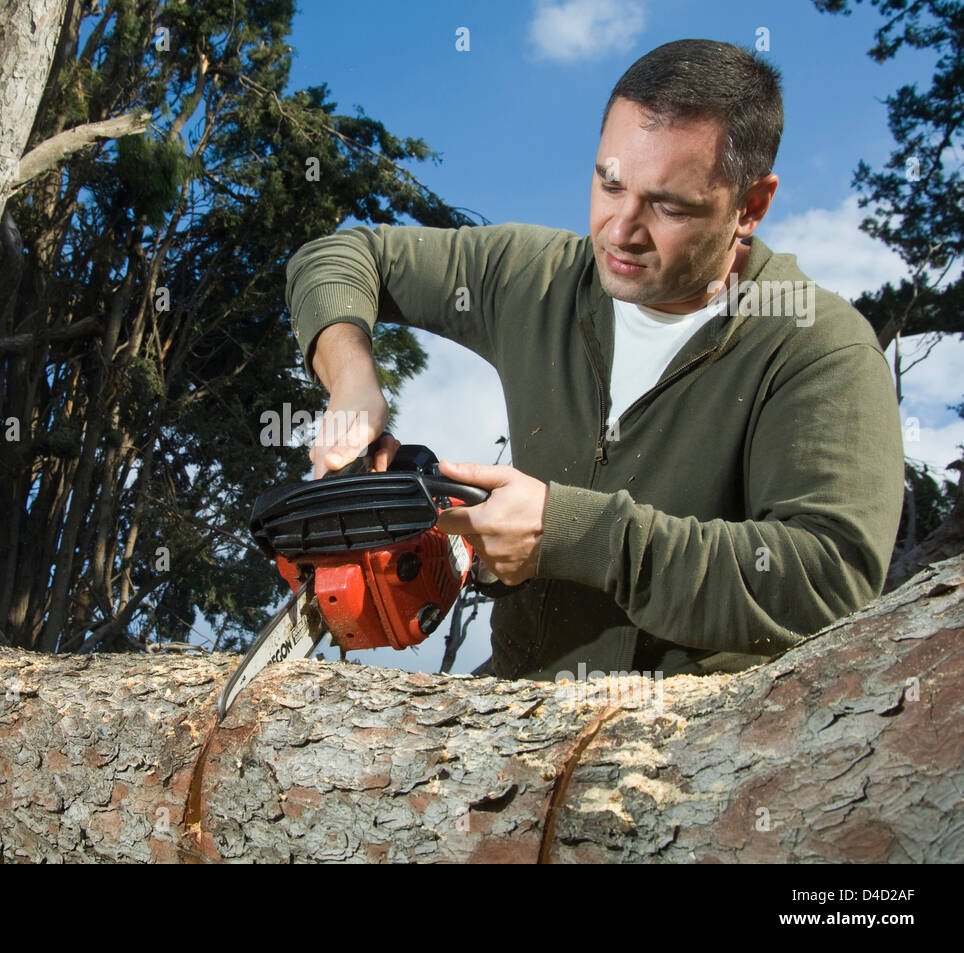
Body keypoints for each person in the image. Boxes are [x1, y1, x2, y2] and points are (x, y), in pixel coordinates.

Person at [284, 38, 904, 681]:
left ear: (750, 205)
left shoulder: (817, 349)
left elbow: (828, 581)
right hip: (507, 714)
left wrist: (575, 534)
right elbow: (339, 256)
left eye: (667, 205)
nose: (620, 230)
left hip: (704, 737)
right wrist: (353, 381)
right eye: (610, 184)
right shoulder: (532, 276)